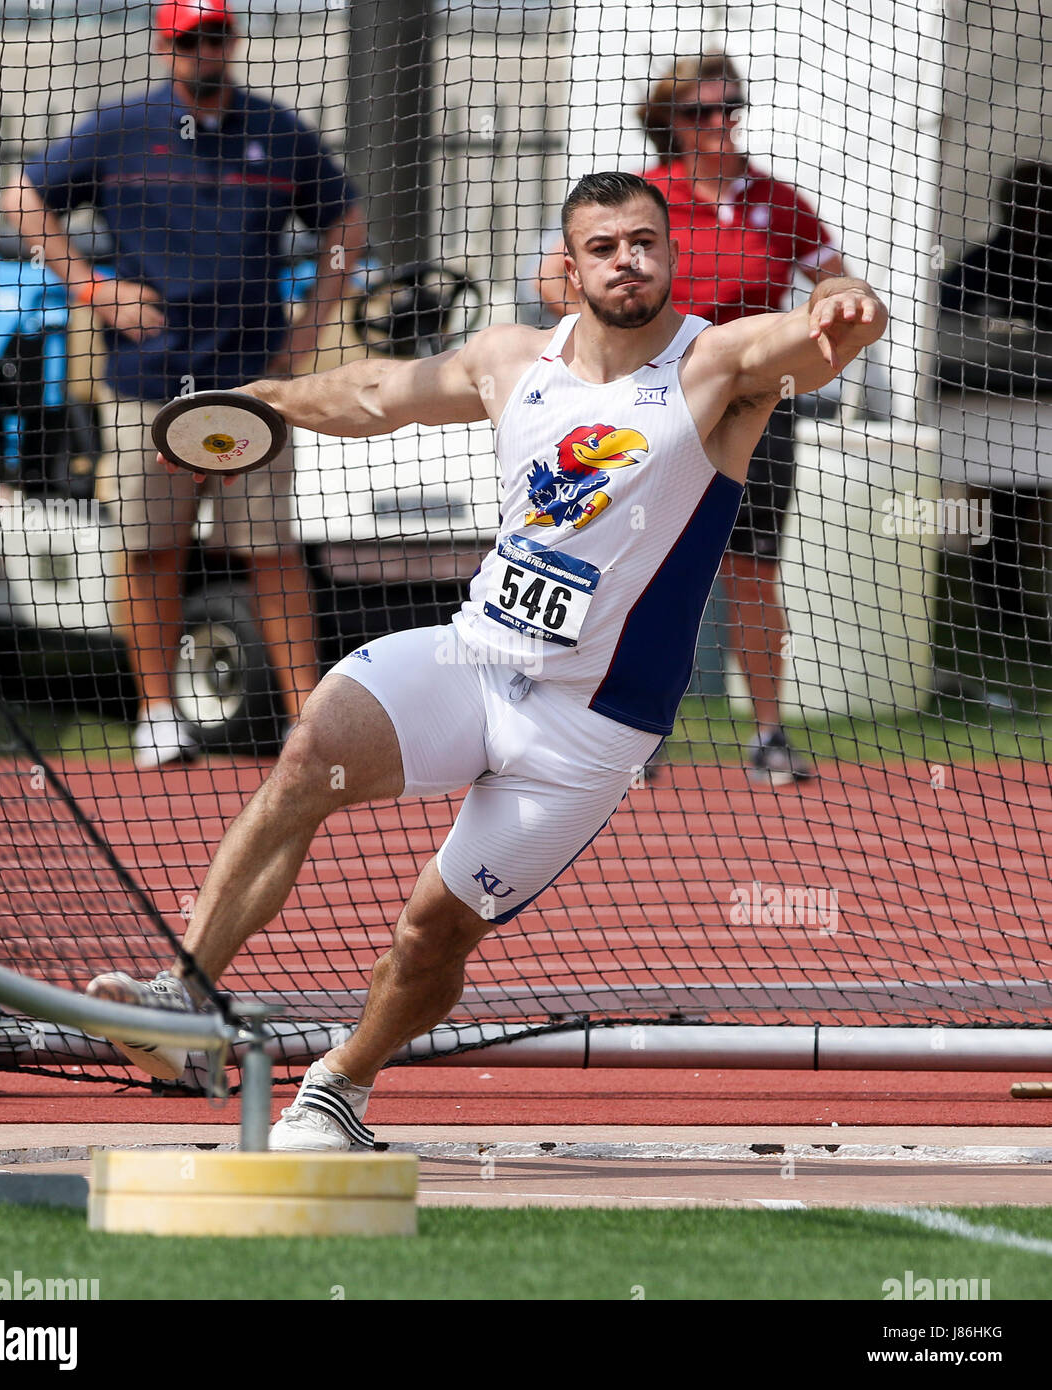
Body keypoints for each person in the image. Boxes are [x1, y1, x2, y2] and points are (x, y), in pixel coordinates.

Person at [87, 171, 886, 1151]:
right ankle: (183, 1006)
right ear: (566, 267)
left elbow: (819, 337)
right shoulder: (513, 359)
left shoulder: (715, 367)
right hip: (472, 659)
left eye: (643, 241)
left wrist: (846, 309)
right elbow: (377, 391)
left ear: (669, 256)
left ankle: (340, 1084)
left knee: (433, 931)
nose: (626, 259)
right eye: (603, 246)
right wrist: (263, 399)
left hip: (587, 730)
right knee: (307, 756)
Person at [1, 0, 366, 768]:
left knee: (269, 551)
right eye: (188, 38)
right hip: (148, 382)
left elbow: (347, 227)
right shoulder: (118, 128)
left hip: (253, 384)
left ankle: (304, 720)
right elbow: (22, 199)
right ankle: (158, 715)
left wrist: (308, 328)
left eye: (216, 35)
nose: (204, 50)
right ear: (164, 45)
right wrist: (93, 289)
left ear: (234, 41)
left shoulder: (277, 131)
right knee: (150, 549)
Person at [538, 53, 846, 786]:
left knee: (750, 572)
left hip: (752, 409)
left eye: (729, 107)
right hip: (652, 402)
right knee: (631, 567)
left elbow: (832, 278)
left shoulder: (778, 198)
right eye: (701, 113)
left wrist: (822, 322)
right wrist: (615, 331)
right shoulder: (652, 198)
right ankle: (625, 734)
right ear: (671, 124)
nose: (720, 124)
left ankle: (769, 735)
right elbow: (554, 279)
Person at [937, 160, 1052, 638]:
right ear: (1006, 206)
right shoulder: (974, 269)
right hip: (983, 414)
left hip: (1045, 412)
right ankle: (1003, 621)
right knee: (994, 513)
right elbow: (945, 337)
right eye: (1026, 203)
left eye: (1043, 203)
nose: (1035, 214)